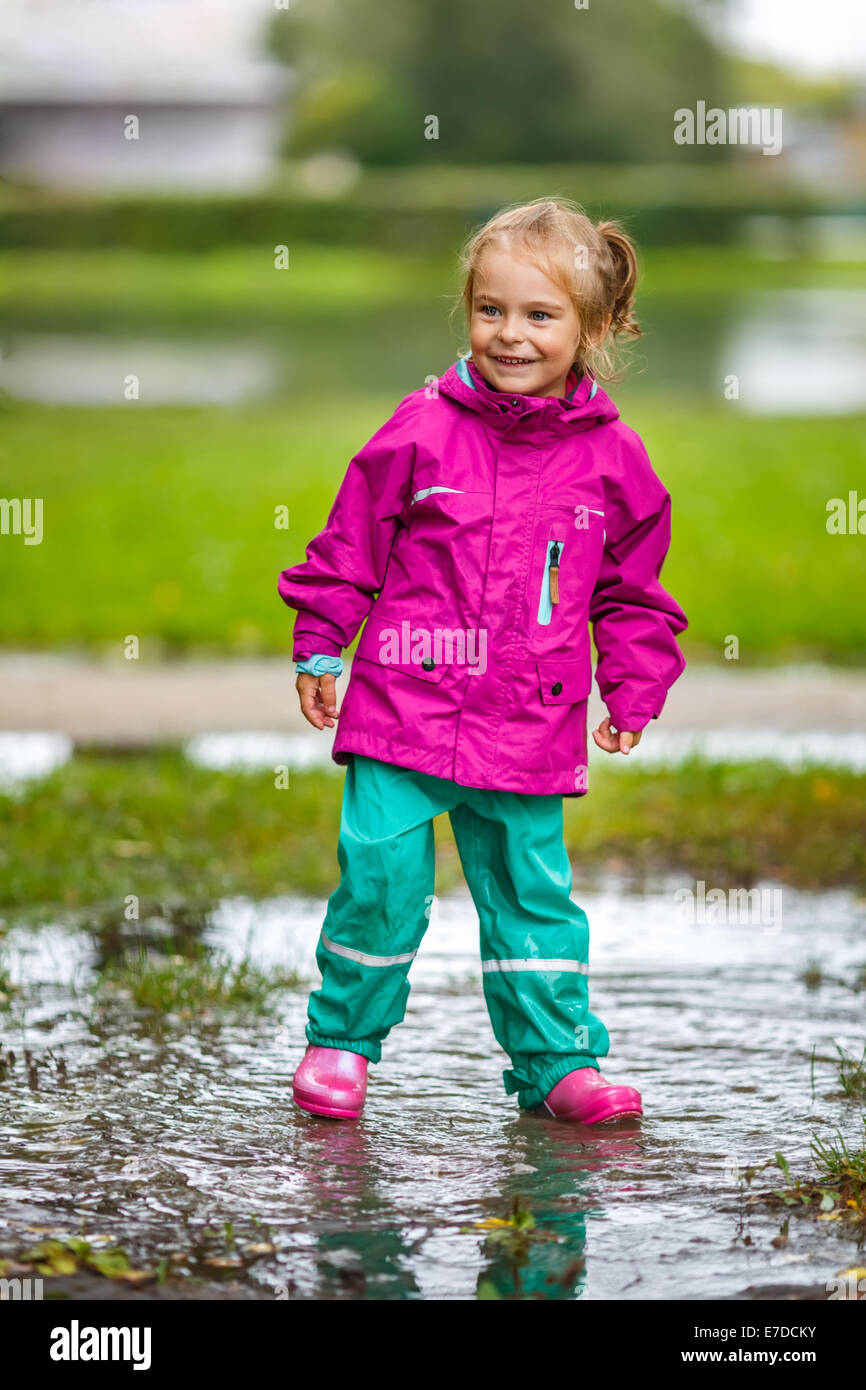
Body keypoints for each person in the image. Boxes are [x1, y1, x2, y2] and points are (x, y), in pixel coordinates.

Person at [278, 197, 688, 1124]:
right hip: (401, 707)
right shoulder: (421, 428)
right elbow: (350, 543)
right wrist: (321, 639)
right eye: (490, 309)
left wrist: (633, 684)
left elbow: (633, 592)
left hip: (528, 719)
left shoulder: (614, 461)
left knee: (531, 899)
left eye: (539, 315)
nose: (510, 335)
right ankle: (341, 1045)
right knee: (380, 884)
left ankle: (555, 1064)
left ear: (594, 327)